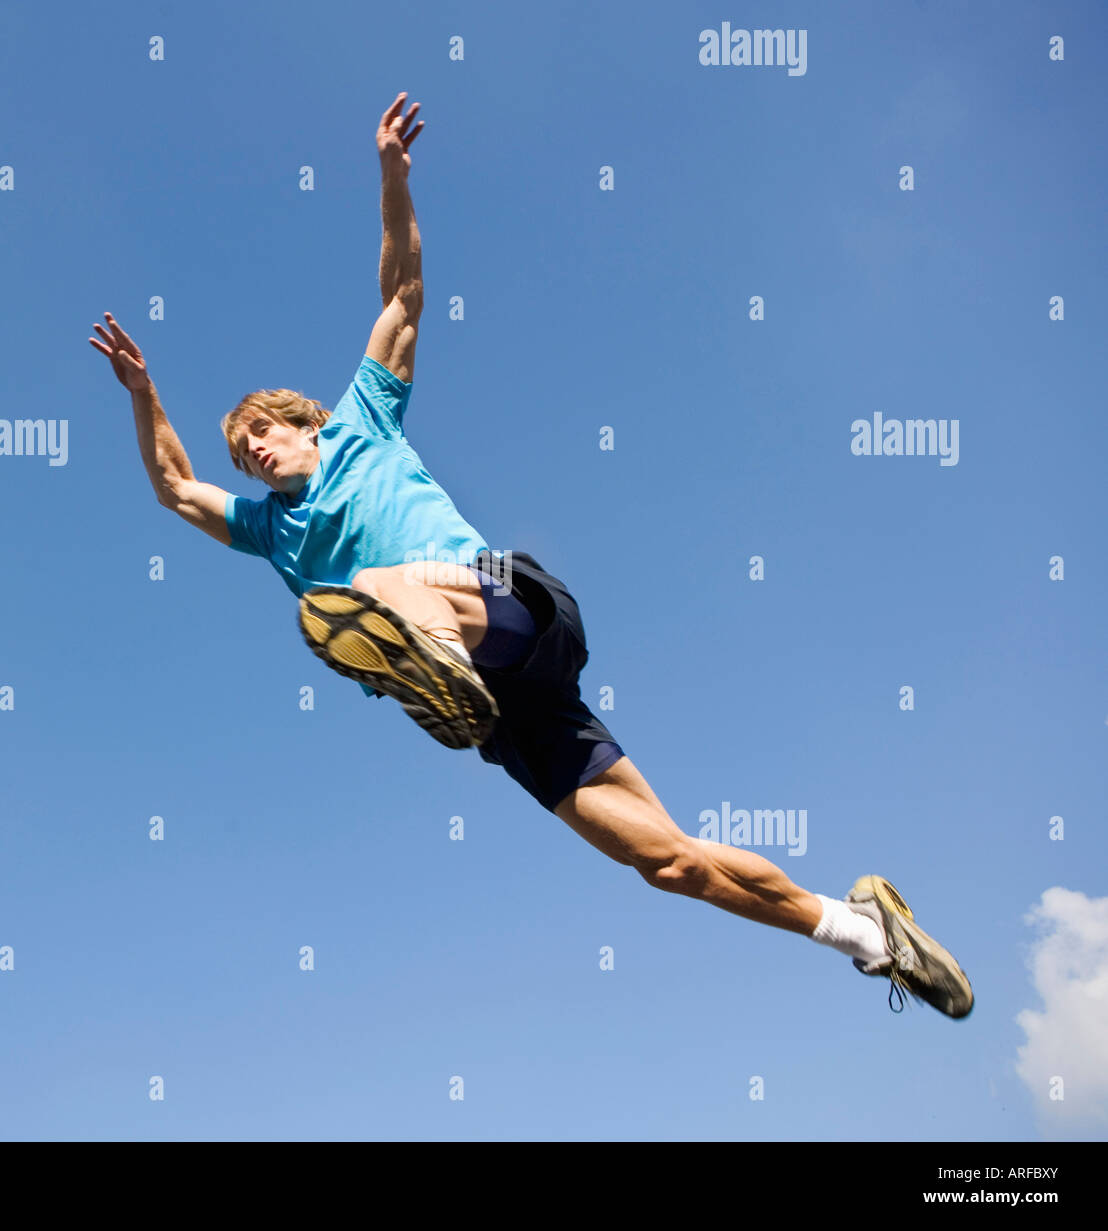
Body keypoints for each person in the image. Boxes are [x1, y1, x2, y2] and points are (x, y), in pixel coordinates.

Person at [89, 92, 973, 1019]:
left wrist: (391, 176)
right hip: (508, 712)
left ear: (307, 424)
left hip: (505, 603)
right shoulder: (273, 532)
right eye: (243, 454)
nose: (254, 455)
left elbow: (402, 292)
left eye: (264, 434)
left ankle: (421, 648)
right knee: (666, 861)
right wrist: (145, 393)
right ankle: (870, 932)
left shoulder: (361, 425)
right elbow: (174, 488)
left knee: (374, 586)